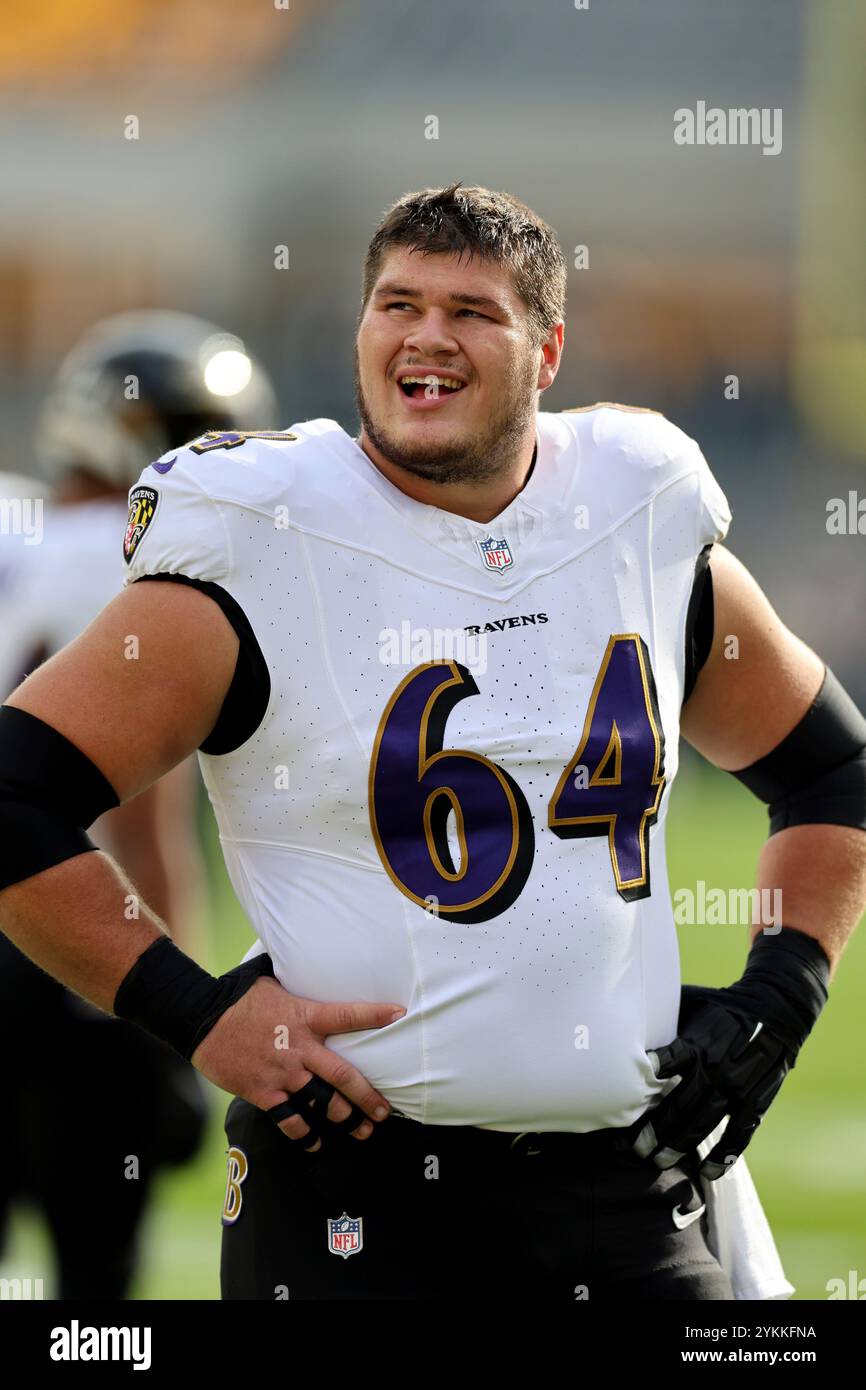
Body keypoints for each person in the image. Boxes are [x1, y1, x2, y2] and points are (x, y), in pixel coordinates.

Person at [0, 185, 864, 1301]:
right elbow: (18, 798)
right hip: (353, 1195)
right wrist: (195, 1010)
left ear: (546, 350)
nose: (425, 336)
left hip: (624, 1187)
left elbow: (830, 771)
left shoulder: (629, 508)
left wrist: (781, 992)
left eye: (471, 311)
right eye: (395, 303)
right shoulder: (262, 535)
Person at [0, 310, 278, 1299]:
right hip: (42, 945)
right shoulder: (123, 560)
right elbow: (144, 830)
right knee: (96, 1294)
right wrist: (178, 1024)